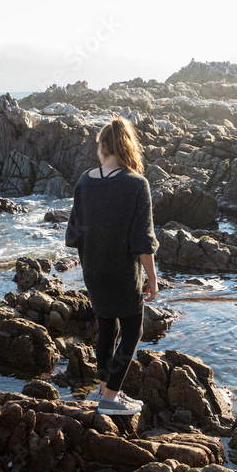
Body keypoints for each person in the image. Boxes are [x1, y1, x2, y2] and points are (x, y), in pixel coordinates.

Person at [65, 116, 159, 416]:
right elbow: (142, 240)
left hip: (93, 270)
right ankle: (110, 398)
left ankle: (105, 390)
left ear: (104, 146)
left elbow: (74, 235)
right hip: (122, 272)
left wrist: (91, 261)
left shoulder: (83, 182)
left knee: (107, 325)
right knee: (133, 330)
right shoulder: (136, 184)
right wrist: (153, 279)